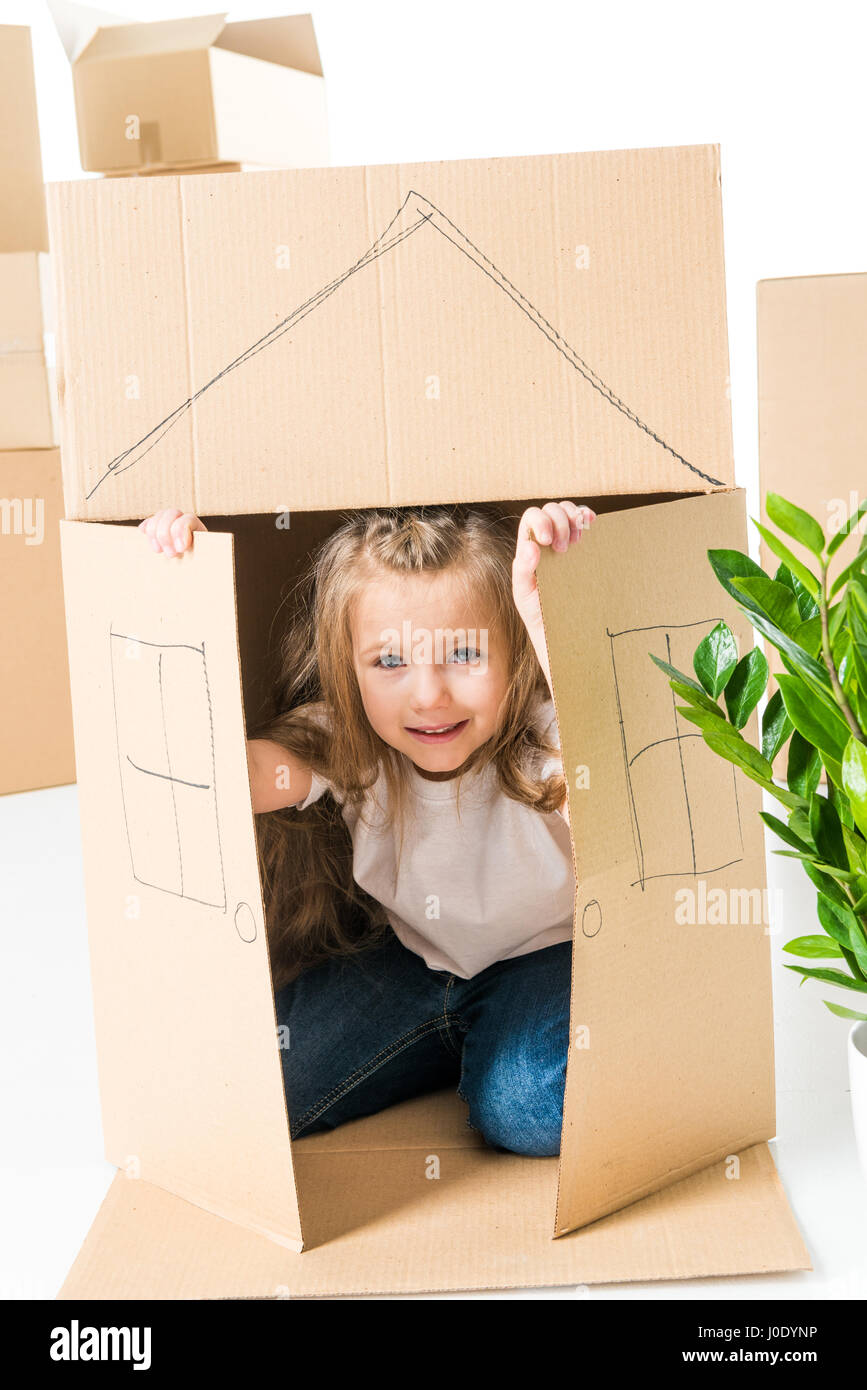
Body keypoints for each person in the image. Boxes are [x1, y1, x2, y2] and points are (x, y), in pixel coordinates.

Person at [139, 499, 595, 1156]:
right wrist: (184, 599)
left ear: (516, 651)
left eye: (464, 653)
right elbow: (227, 776)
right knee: (258, 1085)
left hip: (545, 959)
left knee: (528, 1108)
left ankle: (492, 1049)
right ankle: (459, 1043)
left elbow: (610, 804)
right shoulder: (349, 737)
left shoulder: (546, 732)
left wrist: (544, 617)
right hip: (412, 959)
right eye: (389, 662)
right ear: (347, 668)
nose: (428, 696)